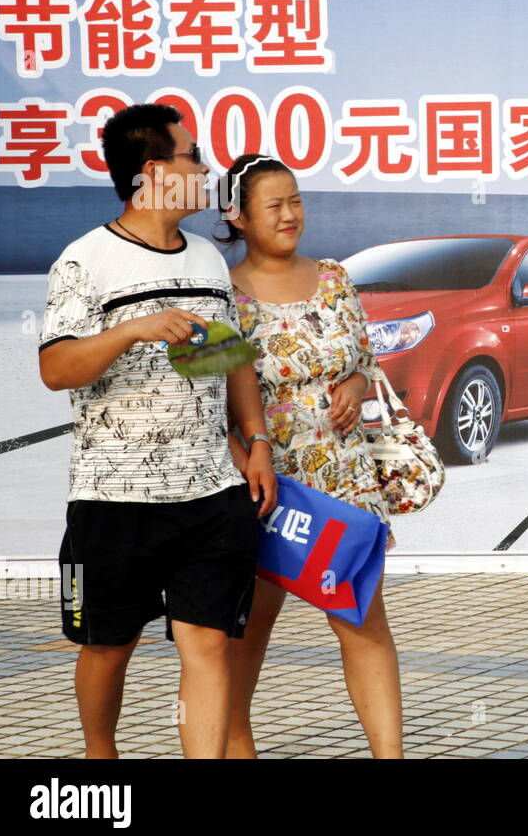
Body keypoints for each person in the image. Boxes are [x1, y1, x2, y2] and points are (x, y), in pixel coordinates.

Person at [37, 103, 277, 759]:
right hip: (113, 502)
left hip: (210, 493)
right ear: (154, 171)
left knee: (207, 646)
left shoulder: (205, 259)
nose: (206, 169)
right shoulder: (87, 261)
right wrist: (131, 329)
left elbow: (230, 360)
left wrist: (255, 441)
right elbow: (55, 367)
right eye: (193, 156)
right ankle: (100, 756)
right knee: (107, 646)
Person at [217, 153, 404, 759]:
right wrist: (244, 456)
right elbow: (205, 397)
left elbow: (364, 360)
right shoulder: (221, 295)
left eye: (296, 200)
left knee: (362, 624)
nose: (291, 214)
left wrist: (353, 384)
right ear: (238, 217)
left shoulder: (333, 277)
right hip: (265, 488)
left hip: (343, 480)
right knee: (245, 640)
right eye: (274, 205)